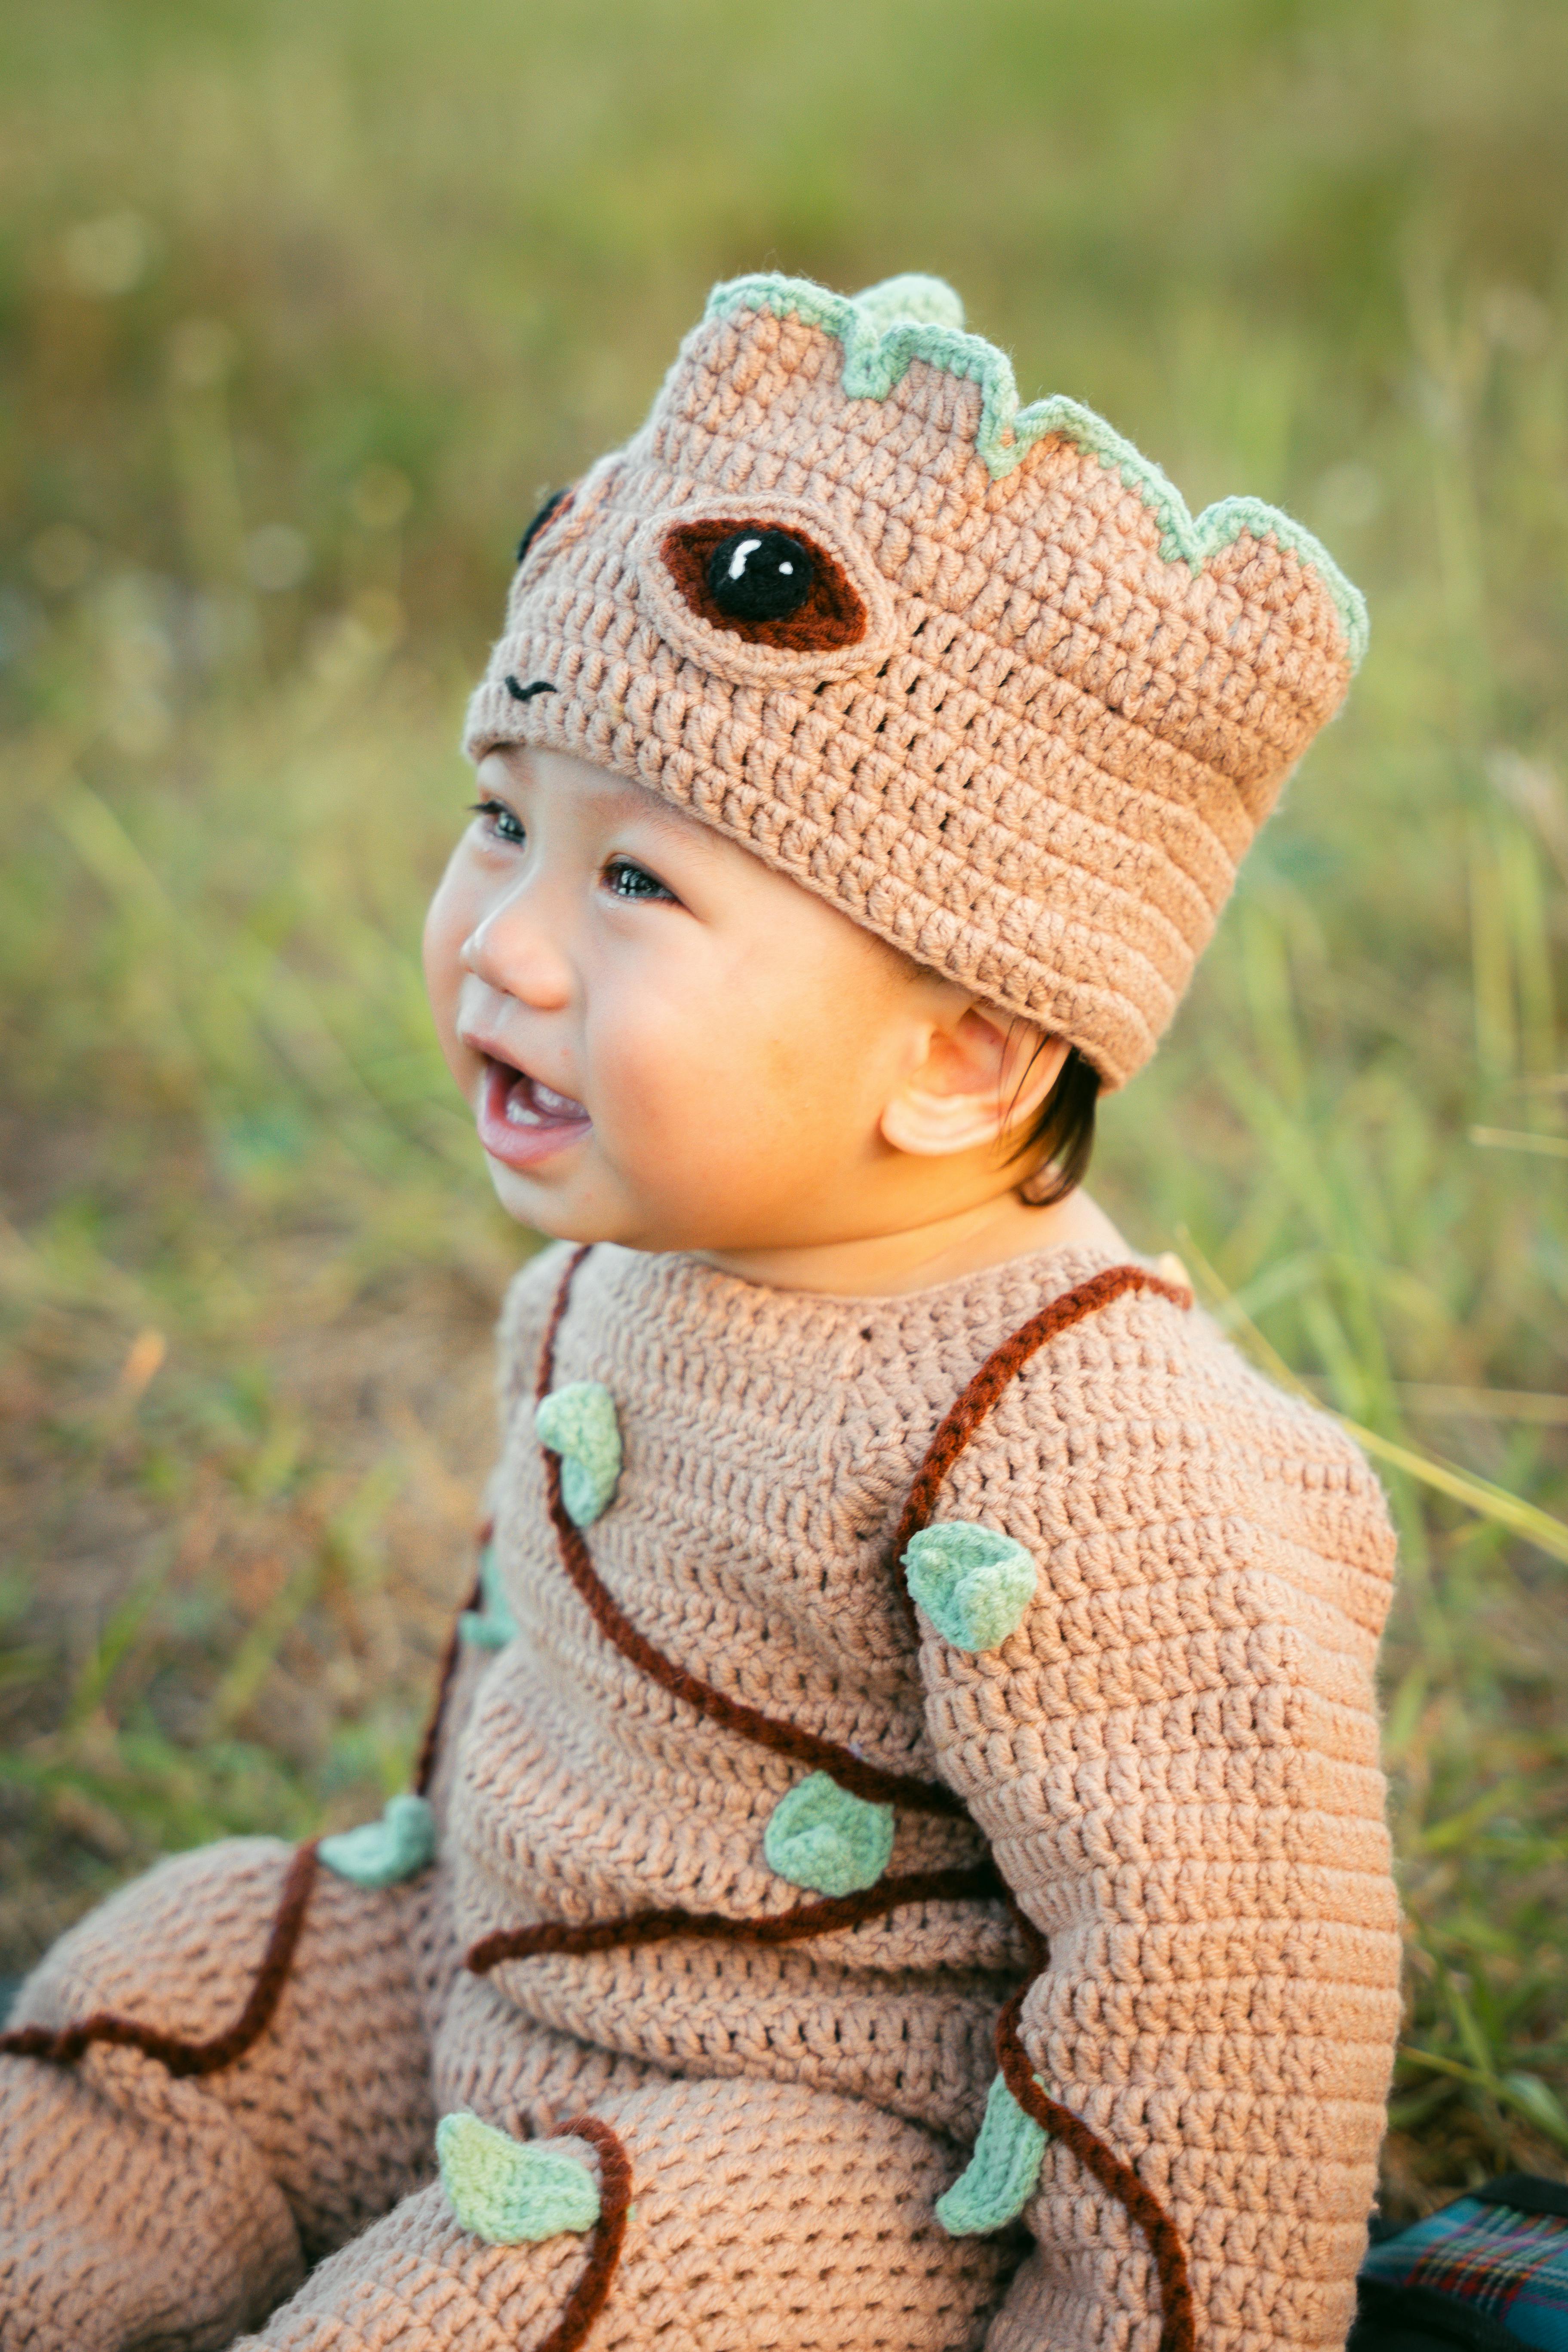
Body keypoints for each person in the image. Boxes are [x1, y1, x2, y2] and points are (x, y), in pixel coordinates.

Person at [0, 270, 1402, 2352]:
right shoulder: (614, 1269)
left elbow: (1230, 2009)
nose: (509, 945)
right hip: (501, 1968)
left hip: (832, 2142)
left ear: (961, 1057)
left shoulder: (1087, 1439)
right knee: (167, 1996)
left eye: (636, 885)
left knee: (500, 2302)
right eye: (501, 820)